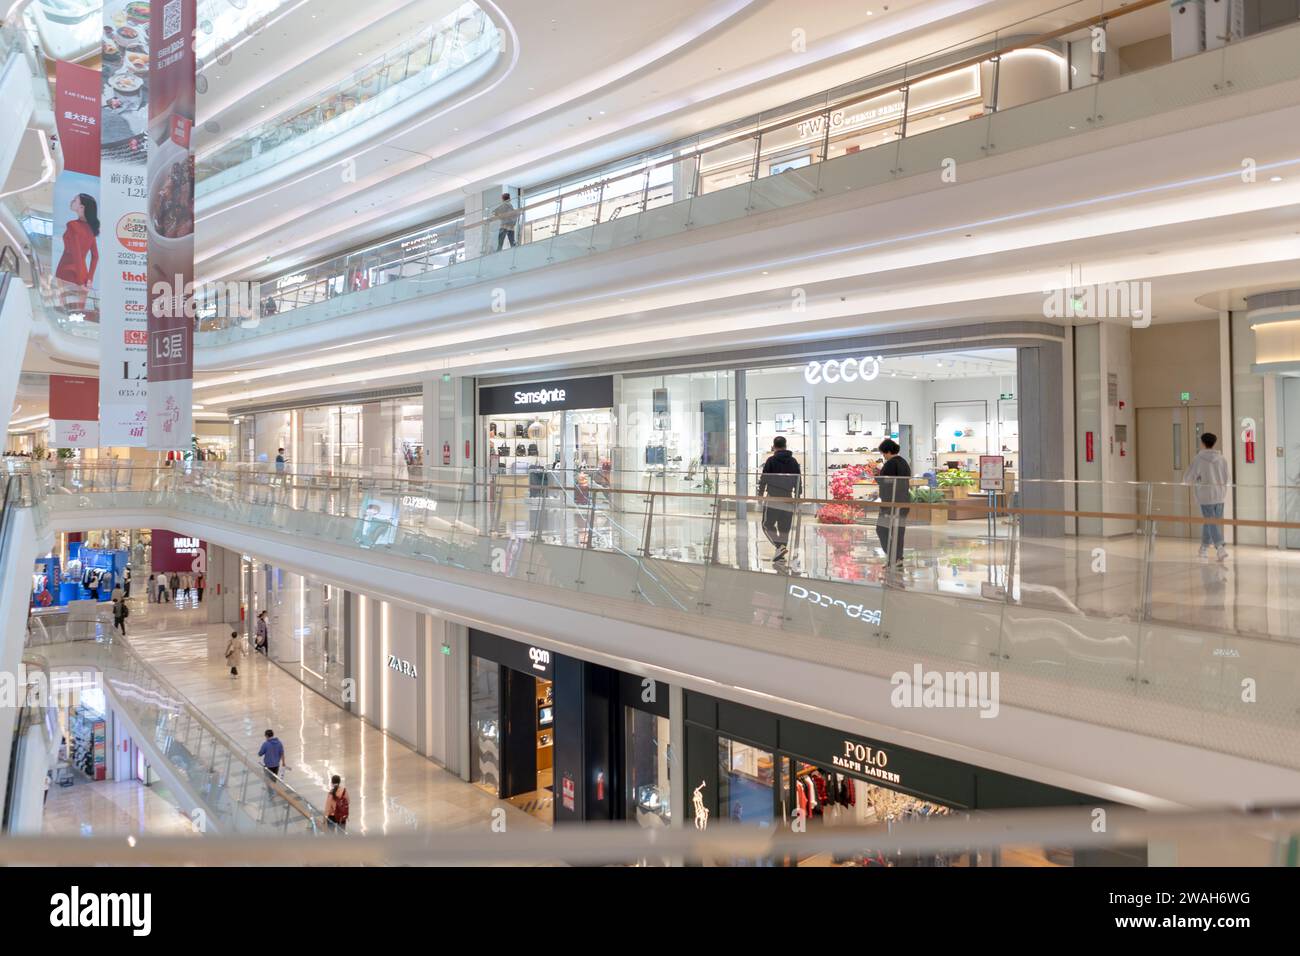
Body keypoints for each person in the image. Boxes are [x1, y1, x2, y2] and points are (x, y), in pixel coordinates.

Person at [1184, 431, 1230, 561]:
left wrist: (1194, 481)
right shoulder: (1222, 459)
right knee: (1212, 522)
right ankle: (1210, 548)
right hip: (1220, 494)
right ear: (1214, 443)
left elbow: (1188, 477)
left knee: (1210, 521)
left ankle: (1215, 547)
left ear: (1203, 443)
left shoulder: (1198, 459)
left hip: (1205, 496)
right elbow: (1228, 478)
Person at [757, 436, 802, 567]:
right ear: (785, 445)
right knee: (784, 528)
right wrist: (798, 497)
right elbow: (798, 480)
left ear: (774, 446)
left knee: (766, 524)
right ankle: (780, 551)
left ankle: (779, 548)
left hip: (772, 498)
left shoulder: (771, 460)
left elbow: (764, 478)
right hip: (788, 498)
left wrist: (760, 495)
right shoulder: (793, 461)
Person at [53, 193, 99, 310]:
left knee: (63, 309)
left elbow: (76, 255)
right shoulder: (91, 229)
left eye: (75, 200)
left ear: (82, 207)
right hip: (83, 274)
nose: (71, 202)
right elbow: (95, 256)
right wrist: (89, 279)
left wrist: (79, 282)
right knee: (79, 312)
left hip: (65, 271)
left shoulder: (72, 226)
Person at [875, 439, 912, 573]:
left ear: (888, 451)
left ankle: (892, 557)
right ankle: (897, 559)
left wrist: (877, 476)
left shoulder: (890, 464)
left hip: (890, 503)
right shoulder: (904, 462)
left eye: (884, 453)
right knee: (898, 530)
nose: (883, 456)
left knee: (882, 529)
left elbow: (885, 482)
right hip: (903, 501)